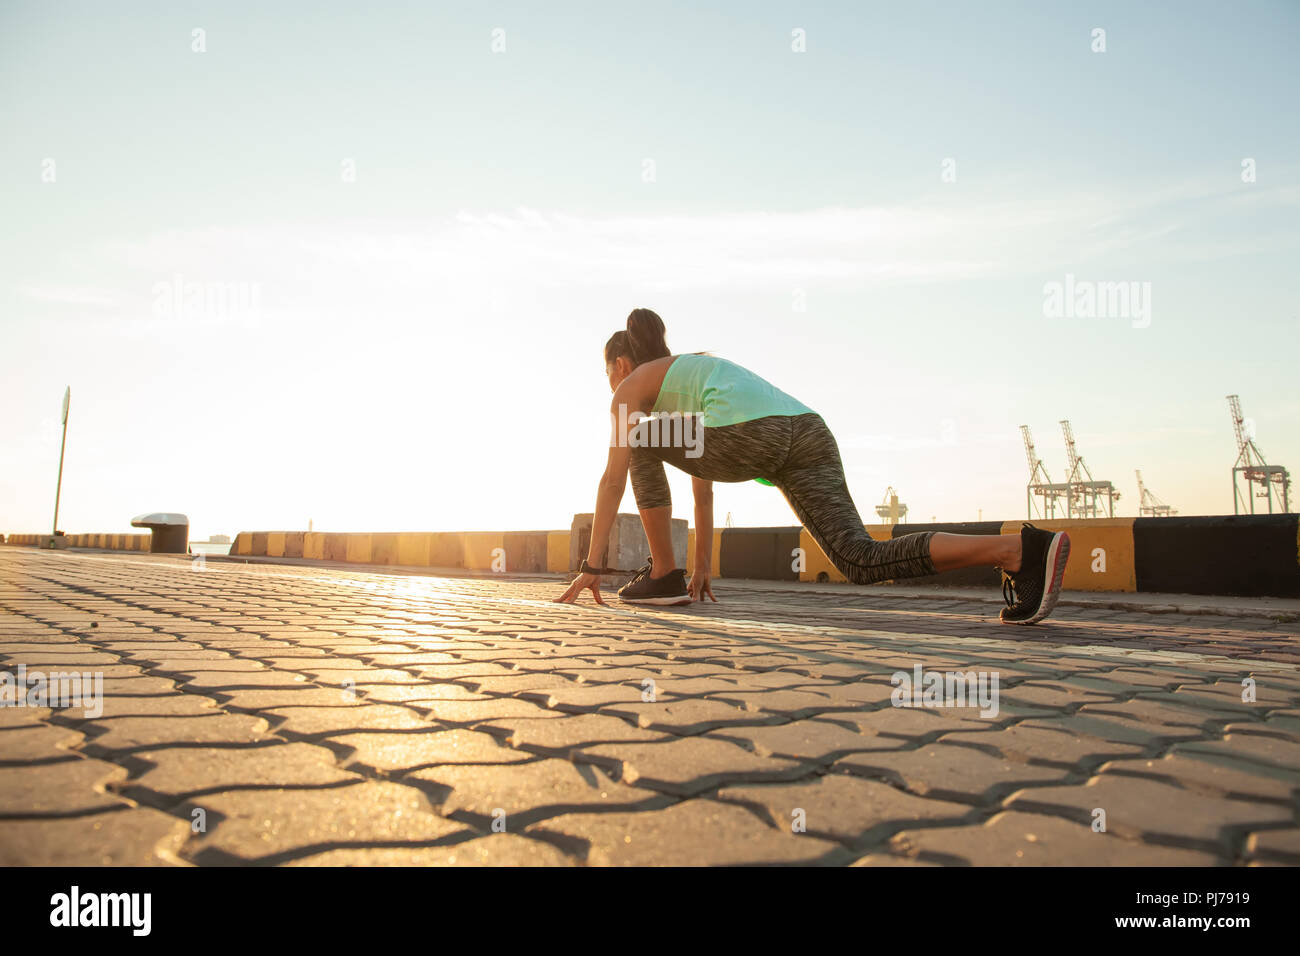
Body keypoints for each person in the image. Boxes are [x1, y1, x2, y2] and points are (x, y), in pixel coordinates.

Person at [553, 309, 1070, 624]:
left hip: (751, 435)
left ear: (618, 364)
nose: (610, 383)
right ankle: (1019, 550)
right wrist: (704, 565)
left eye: (606, 373)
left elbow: (612, 478)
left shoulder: (631, 386)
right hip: (807, 433)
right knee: (860, 560)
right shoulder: (685, 382)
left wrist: (592, 566)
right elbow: (703, 485)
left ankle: (663, 574)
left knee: (635, 442)